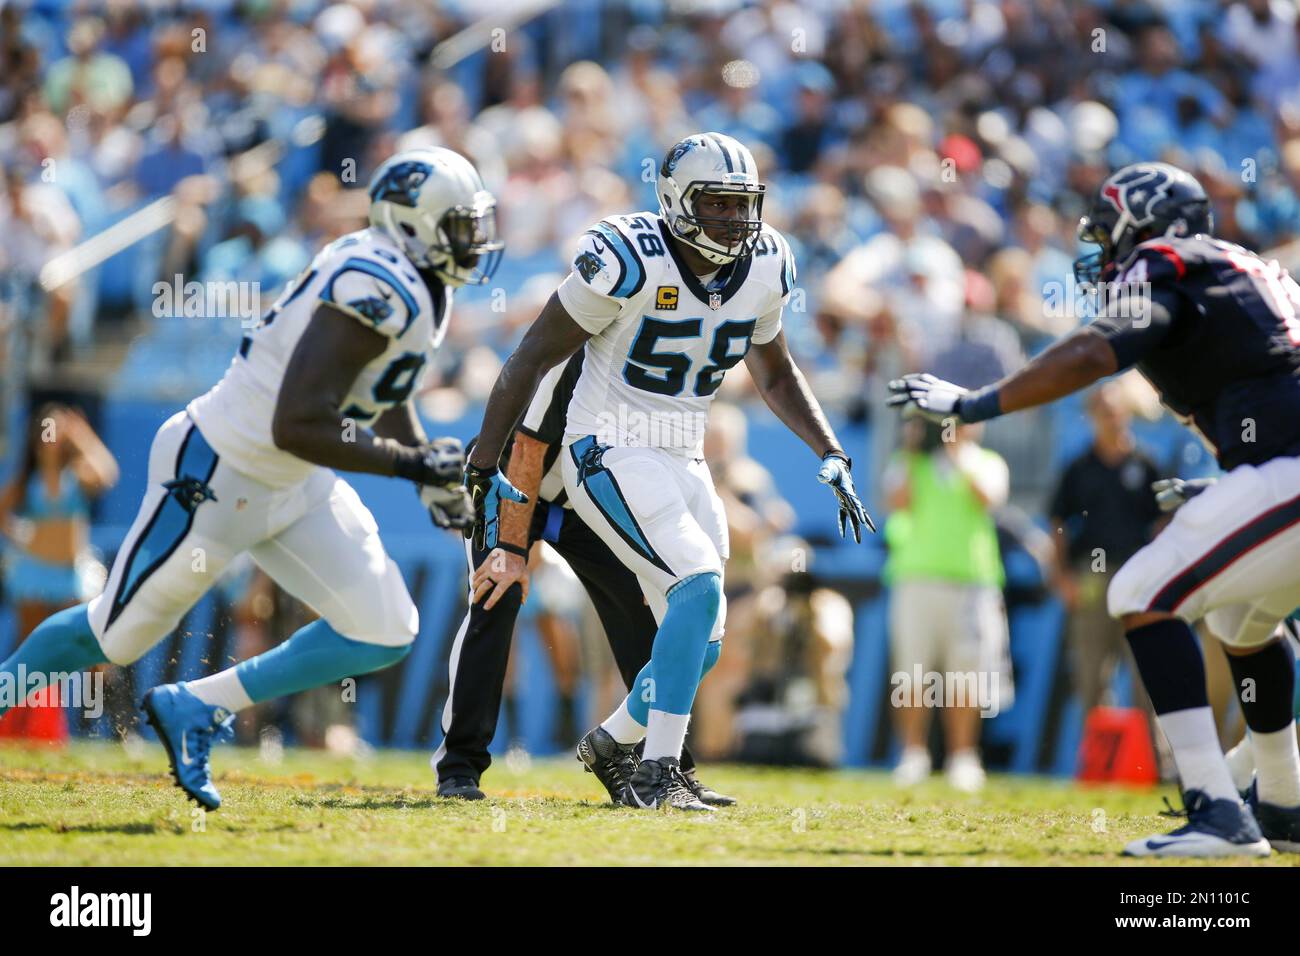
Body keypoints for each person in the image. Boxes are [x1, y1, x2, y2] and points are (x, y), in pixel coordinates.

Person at [0, 147, 494, 810]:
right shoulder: (374, 281)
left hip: (291, 482)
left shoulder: (417, 281)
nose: (474, 240)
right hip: (216, 472)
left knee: (383, 628)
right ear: (411, 224)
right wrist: (407, 464)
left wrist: (423, 471)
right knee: (112, 634)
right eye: (460, 225)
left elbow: (384, 386)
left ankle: (198, 706)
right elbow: (299, 421)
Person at [889, 161, 1300, 857]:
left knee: (1140, 590)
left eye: (1109, 233)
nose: (1103, 252)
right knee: (1240, 617)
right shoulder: (1242, 271)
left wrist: (972, 403)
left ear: (1146, 224)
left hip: (1289, 472)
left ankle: (1217, 812)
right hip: (1281, 468)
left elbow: (1092, 353)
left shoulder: (1167, 260)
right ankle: (1284, 805)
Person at [462, 132, 875, 811]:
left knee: (703, 640)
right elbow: (529, 360)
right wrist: (485, 462)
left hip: (686, 450)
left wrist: (829, 449)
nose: (735, 222)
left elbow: (772, 368)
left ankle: (612, 740)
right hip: (609, 443)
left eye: (744, 206)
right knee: (700, 583)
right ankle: (659, 773)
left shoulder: (769, 262)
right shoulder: (627, 257)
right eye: (717, 205)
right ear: (678, 202)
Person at [434, 351, 730, 806]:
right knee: (497, 594)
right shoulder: (579, 336)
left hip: (584, 497)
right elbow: (529, 444)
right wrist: (513, 549)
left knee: (642, 610)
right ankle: (459, 765)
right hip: (512, 480)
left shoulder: (660, 335)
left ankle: (663, 765)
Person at [883, 416, 1012, 792]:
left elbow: (989, 497)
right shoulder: (910, 461)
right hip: (916, 578)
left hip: (971, 582)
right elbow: (897, 500)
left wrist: (957, 454)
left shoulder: (987, 461)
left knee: (965, 675)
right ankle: (912, 754)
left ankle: (963, 757)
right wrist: (909, 450)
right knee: (912, 673)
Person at [0, 403, 118, 741]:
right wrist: (21, 536)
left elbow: (107, 471)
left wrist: (80, 433)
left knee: (93, 648)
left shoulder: (78, 474)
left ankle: (100, 725)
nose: (52, 437)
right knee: (28, 652)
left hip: (71, 575)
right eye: (47, 430)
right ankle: (17, 726)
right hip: (34, 576)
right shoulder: (29, 480)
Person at [1048, 382, 1162, 727]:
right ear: (1092, 418)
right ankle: (1100, 762)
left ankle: (1152, 764)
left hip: (1138, 577)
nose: (1111, 420)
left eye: (1115, 412)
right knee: (1091, 672)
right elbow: (1057, 525)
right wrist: (1062, 578)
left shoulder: (1146, 465)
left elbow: (1163, 523)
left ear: (1126, 414)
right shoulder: (1078, 469)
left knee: (1147, 673)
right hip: (1093, 579)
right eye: (1103, 413)